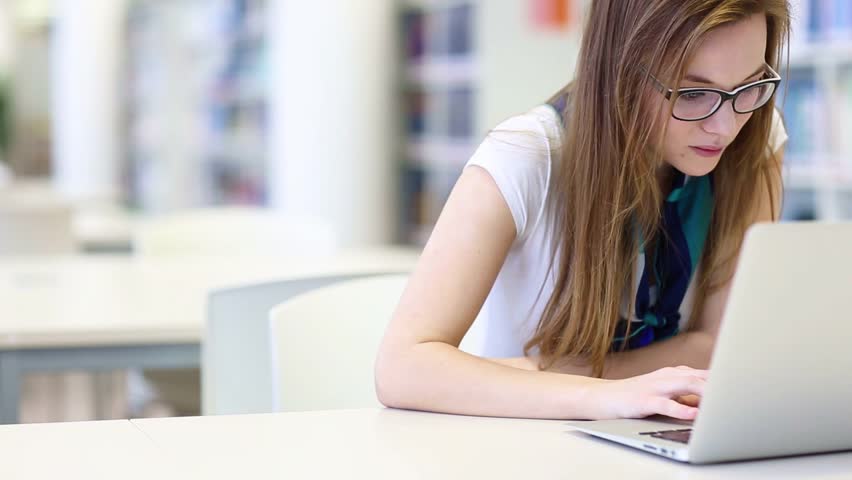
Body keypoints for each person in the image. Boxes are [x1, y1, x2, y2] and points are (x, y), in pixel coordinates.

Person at [376, 0, 790, 421]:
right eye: (694, 93)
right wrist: (606, 396)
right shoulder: (524, 154)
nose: (724, 126)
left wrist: (529, 372)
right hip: (523, 444)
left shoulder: (757, 135)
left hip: (662, 436)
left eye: (750, 85)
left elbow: (721, 349)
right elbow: (403, 367)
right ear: (622, 67)